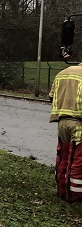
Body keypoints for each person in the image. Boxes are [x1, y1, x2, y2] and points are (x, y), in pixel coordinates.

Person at [48, 64, 82, 201]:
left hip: (62, 123)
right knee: (77, 161)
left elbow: (51, 97)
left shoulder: (62, 73)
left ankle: (61, 190)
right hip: (79, 123)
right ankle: (75, 195)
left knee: (63, 158)